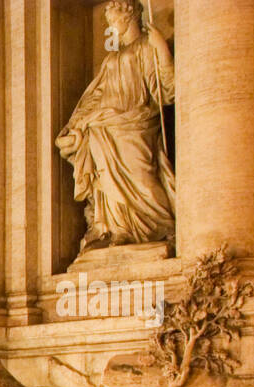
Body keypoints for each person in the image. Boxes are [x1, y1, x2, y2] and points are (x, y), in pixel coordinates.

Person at [55, 0, 175, 251]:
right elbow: (96, 96)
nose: (110, 26)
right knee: (106, 176)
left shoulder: (147, 46)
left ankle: (162, 225)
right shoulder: (112, 57)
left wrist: (162, 49)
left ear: (130, 16)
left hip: (137, 122)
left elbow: (166, 91)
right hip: (104, 124)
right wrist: (76, 125)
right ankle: (118, 228)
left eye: (113, 20)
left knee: (143, 178)